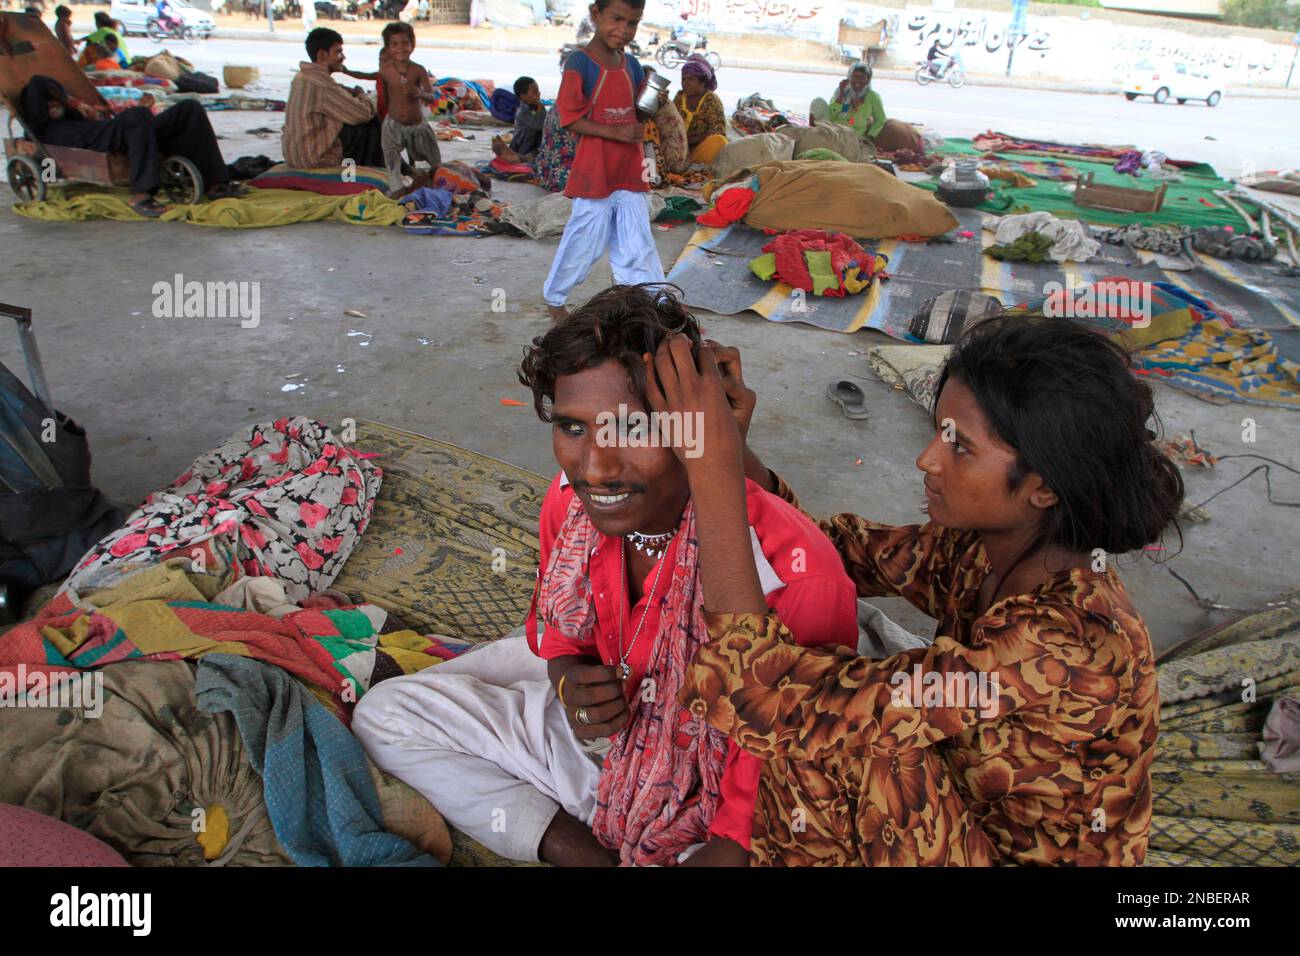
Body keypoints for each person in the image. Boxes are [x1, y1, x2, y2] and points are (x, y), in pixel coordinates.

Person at [642, 312, 1182, 866]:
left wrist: (710, 470)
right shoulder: (984, 551)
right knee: (832, 705)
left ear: (1042, 488)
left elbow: (762, 692)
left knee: (829, 729)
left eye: (960, 447)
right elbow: (825, 553)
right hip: (969, 813)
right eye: (939, 432)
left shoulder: (1065, 643)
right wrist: (734, 451)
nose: (928, 459)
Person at [352, 285, 859, 867]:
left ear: (699, 431)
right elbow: (561, 636)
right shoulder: (570, 501)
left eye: (633, 430)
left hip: (715, 783)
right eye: (572, 428)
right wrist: (568, 676)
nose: (595, 467)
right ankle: (582, 852)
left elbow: (753, 813)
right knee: (387, 716)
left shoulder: (797, 577)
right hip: (604, 745)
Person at [542, 0, 664, 323]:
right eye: (617, 19)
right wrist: (617, 133)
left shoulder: (631, 64)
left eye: (633, 23)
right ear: (595, 14)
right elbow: (569, 118)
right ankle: (555, 299)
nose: (624, 30)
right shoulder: (579, 63)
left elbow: (637, 111)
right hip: (595, 172)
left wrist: (652, 101)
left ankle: (652, 303)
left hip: (629, 169)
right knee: (584, 240)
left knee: (637, 242)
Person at [20, 74, 242, 216]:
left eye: (57, 101)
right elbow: (39, 82)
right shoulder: (45, 129)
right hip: (94, 141)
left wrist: (88, 110)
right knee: (137, 115)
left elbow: (109, 123)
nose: (55, 105)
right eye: (49, 103)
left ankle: (214, 182)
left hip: (110, 134)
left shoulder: (76, 114)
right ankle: (141, 194)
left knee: (189, 108)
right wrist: (73, 103)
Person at [282, 27, 384, 169]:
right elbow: (362, 113)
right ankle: (375, 169)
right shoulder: (322, 84)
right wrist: (361, 94)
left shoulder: (303, 76)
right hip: (313, 157)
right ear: (323, 55)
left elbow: (334, 94)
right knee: (368, 120)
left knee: (351, 114)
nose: (343, 57)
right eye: (338, 52)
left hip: (295, 154)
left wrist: (348, 93)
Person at [374, 21, 440, 193]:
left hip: (417, 125)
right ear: (388, 48)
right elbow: (386, 97)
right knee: (391, 160)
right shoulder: (385, 71)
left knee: (435, 162)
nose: (400, 48)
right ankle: (397, 191)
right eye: (394, 44)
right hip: (393, 124)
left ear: (412, 45)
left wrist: (419, 92)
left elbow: (432, 96)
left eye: (404, 43)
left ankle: (436, 186)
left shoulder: (418, 70)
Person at [811, 61, 923, 154]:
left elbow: (880, 119)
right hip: (833, 129)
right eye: (854, 77)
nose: (857, 81)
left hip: (853, 135)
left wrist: (870, 136)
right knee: (817, 101)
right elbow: (832, 114)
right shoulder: (842, 91)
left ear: (868, 79)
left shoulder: (872, 97)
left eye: (862, 77)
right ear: (849, 77)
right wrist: (840, 96)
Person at [673, 53, 726, 166]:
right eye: (683, 79)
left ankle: (690, 164)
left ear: (703, 82)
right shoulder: (679, 97)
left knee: (718, 141)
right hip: (676, 148)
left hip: (697, 149)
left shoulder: (711, 100)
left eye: (691, 79)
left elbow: (718, 132)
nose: (685, 83)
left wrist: (688, 141)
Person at [492, 75, 545, 164]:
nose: (539, 93)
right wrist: (540, 108)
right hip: (523, 147)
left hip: (531, 145)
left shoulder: (533, 108)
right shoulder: (524, 111)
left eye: (538, 90)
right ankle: (519, 157)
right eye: (535, 91)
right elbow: (539, 125)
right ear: (523, 97)